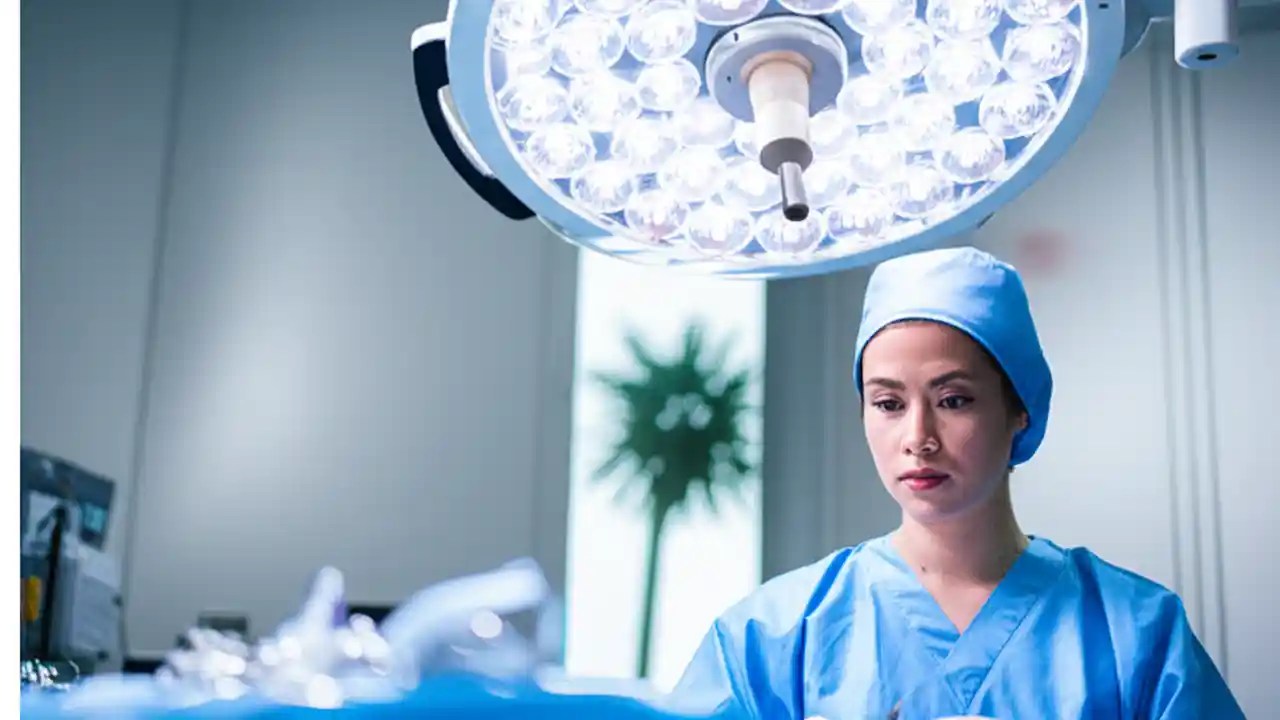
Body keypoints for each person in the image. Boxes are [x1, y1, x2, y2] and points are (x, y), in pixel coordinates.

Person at [669, 246, 1243, 719]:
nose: (918, 436)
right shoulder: (772, 638)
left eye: (953, 400)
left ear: (1019, 408)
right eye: (889, 403)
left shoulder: (1134, 636)